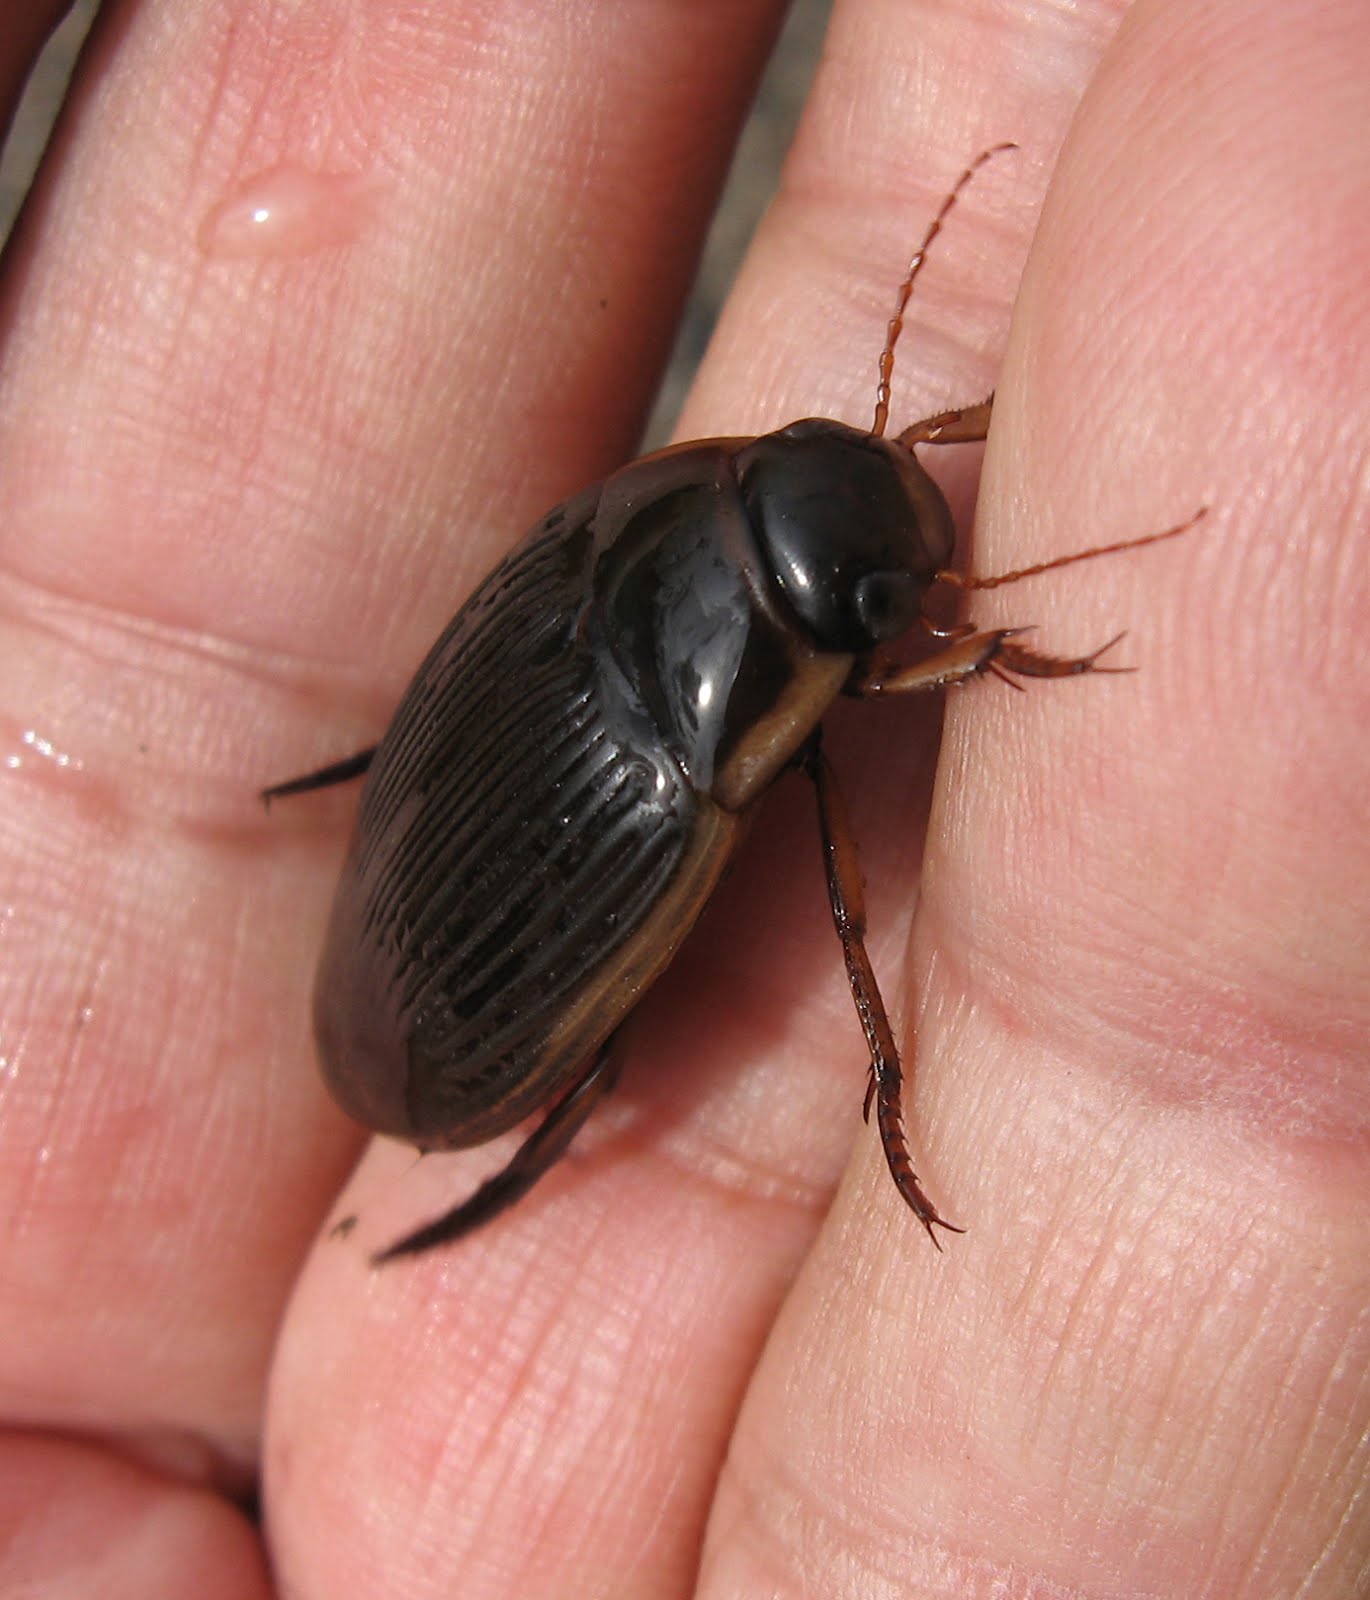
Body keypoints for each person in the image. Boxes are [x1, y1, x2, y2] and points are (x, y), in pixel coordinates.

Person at [2, 0, 1365, 1594]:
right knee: (658, 1003)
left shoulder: (644, 536)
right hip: (462, 1011)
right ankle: (514, 1180)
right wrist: (984, 659)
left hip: (504, 801)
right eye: (867, 615)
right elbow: (832, 868)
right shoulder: (689, 734)